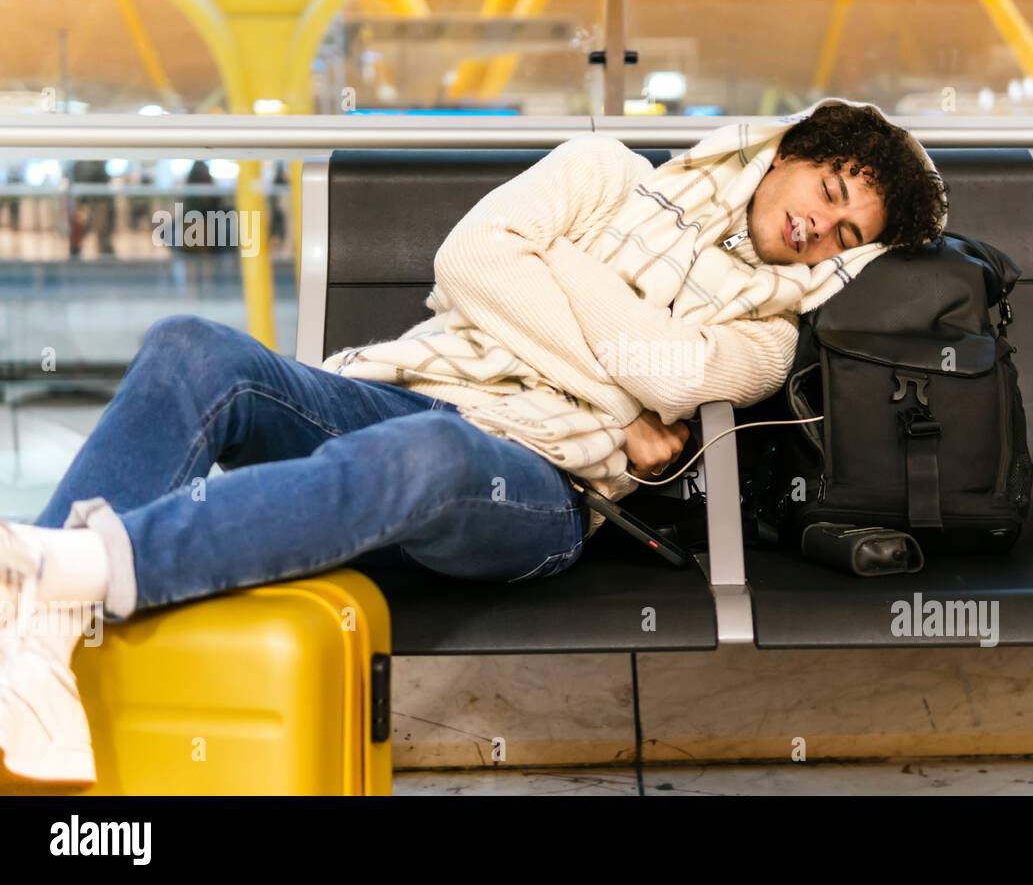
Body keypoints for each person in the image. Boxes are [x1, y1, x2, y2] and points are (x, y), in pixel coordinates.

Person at [0, 98, 948, 786]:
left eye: (841, 236)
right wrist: (615, 405)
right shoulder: (603, 171)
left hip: (537, 485)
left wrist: (556, 274)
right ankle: (33, 629)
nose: (814, 228)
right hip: (407, 387)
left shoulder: (771, 334)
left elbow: (670, 374)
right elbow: (469, 262)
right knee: (190, 350)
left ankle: (64, 571)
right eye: (826, 191)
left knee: (434, 458)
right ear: (781, 152)